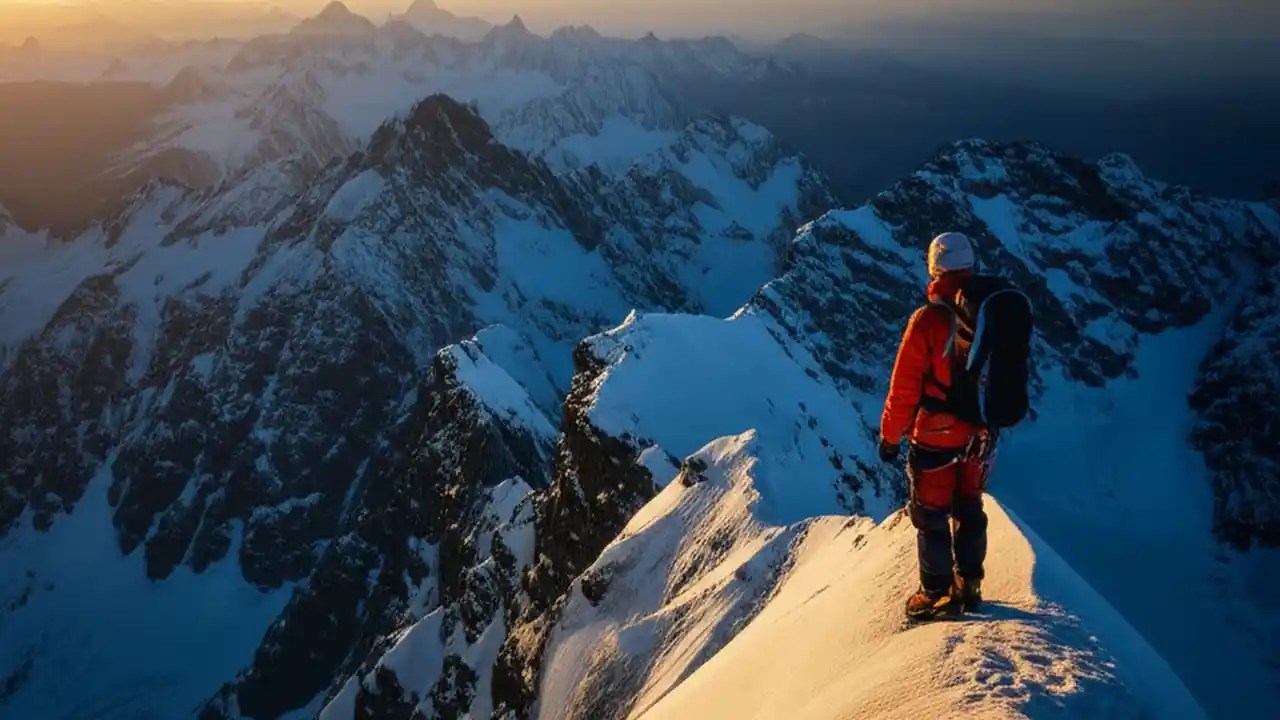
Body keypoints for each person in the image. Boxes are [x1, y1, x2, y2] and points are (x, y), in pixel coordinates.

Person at [879, 232, 992, 620]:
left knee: (930, 515)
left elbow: (905, 386)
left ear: (935, 268)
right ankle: (970, 584)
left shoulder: (928, 320)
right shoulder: (990, 313)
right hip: (978, 433)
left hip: (936, 436)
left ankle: (936, 593)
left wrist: (890, 436)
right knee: (969, 507)